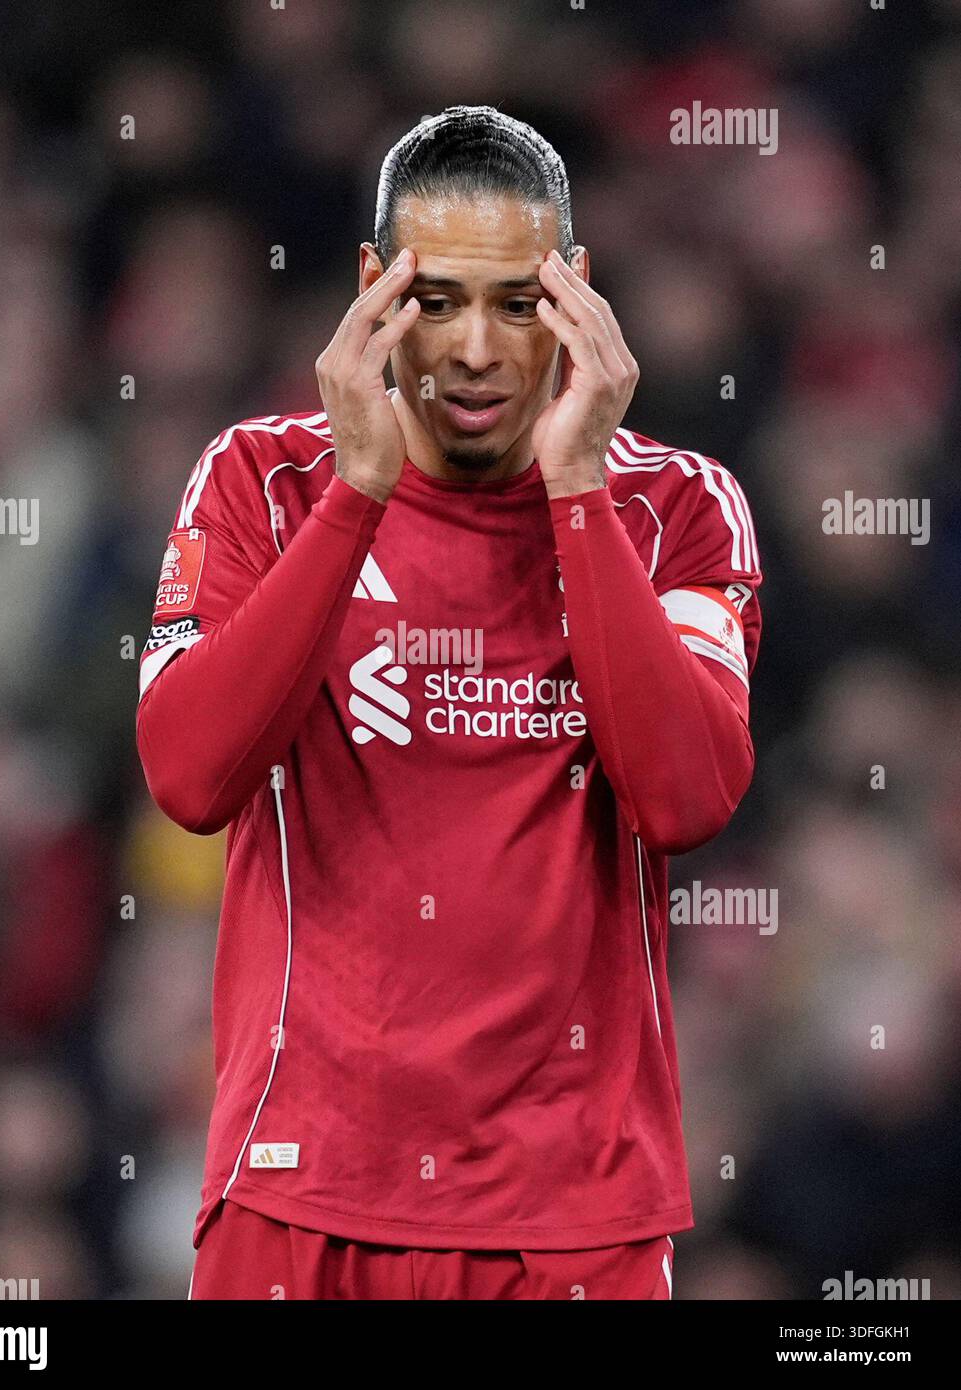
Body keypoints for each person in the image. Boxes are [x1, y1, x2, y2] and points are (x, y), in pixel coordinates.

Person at [136, 104, 762, 1300]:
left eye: (519, 303)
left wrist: (576, 485)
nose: (477, 349)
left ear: (579, 296)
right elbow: (188, 778)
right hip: (298, 1190)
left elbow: (686, 798)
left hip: (573, 1215)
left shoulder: (676, 505)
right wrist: (357, 493)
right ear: (373, 290)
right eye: (437, 300)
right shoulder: (261, 483)